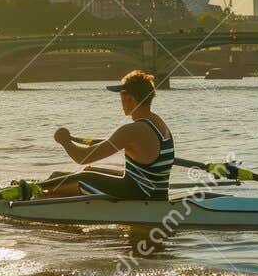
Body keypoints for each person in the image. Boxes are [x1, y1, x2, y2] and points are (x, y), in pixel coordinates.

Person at [49, 70, 174, 199]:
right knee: (88, 171)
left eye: (121, 95)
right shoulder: (159, 123)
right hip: (156, 194)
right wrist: (98, 168)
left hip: (140, 196)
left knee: (70, 179)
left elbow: (82, 158)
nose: (120, 101)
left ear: (130, 98)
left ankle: (37, 198)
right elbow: (143, 169)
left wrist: (64, 141)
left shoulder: (133, 130)